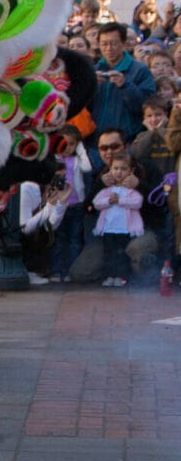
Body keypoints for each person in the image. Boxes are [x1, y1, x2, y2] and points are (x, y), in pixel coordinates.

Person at [90, 23, 154, 142]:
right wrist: (90, 86)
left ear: (123, 44)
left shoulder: (140, 70)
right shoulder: (93, 71)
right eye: (104, 44)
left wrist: (125, 85)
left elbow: (147, 105)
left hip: (128, 139)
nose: (109, 48)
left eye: (114, 43)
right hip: (96, 139)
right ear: (98, 45)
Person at [93, 155, 144, 287]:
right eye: (115, 168)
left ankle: (122, 276)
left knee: (122, 254)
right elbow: (96, 203)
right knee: (109, 254)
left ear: (130, 171)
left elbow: (137, 202)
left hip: (125, 229)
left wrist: (120, 200)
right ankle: (109, 275)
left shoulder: (131, 191)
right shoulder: (106, 190)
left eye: (123, 169)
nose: (119, 172)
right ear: (110, 170)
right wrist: (109, 201)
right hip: (109, 229)